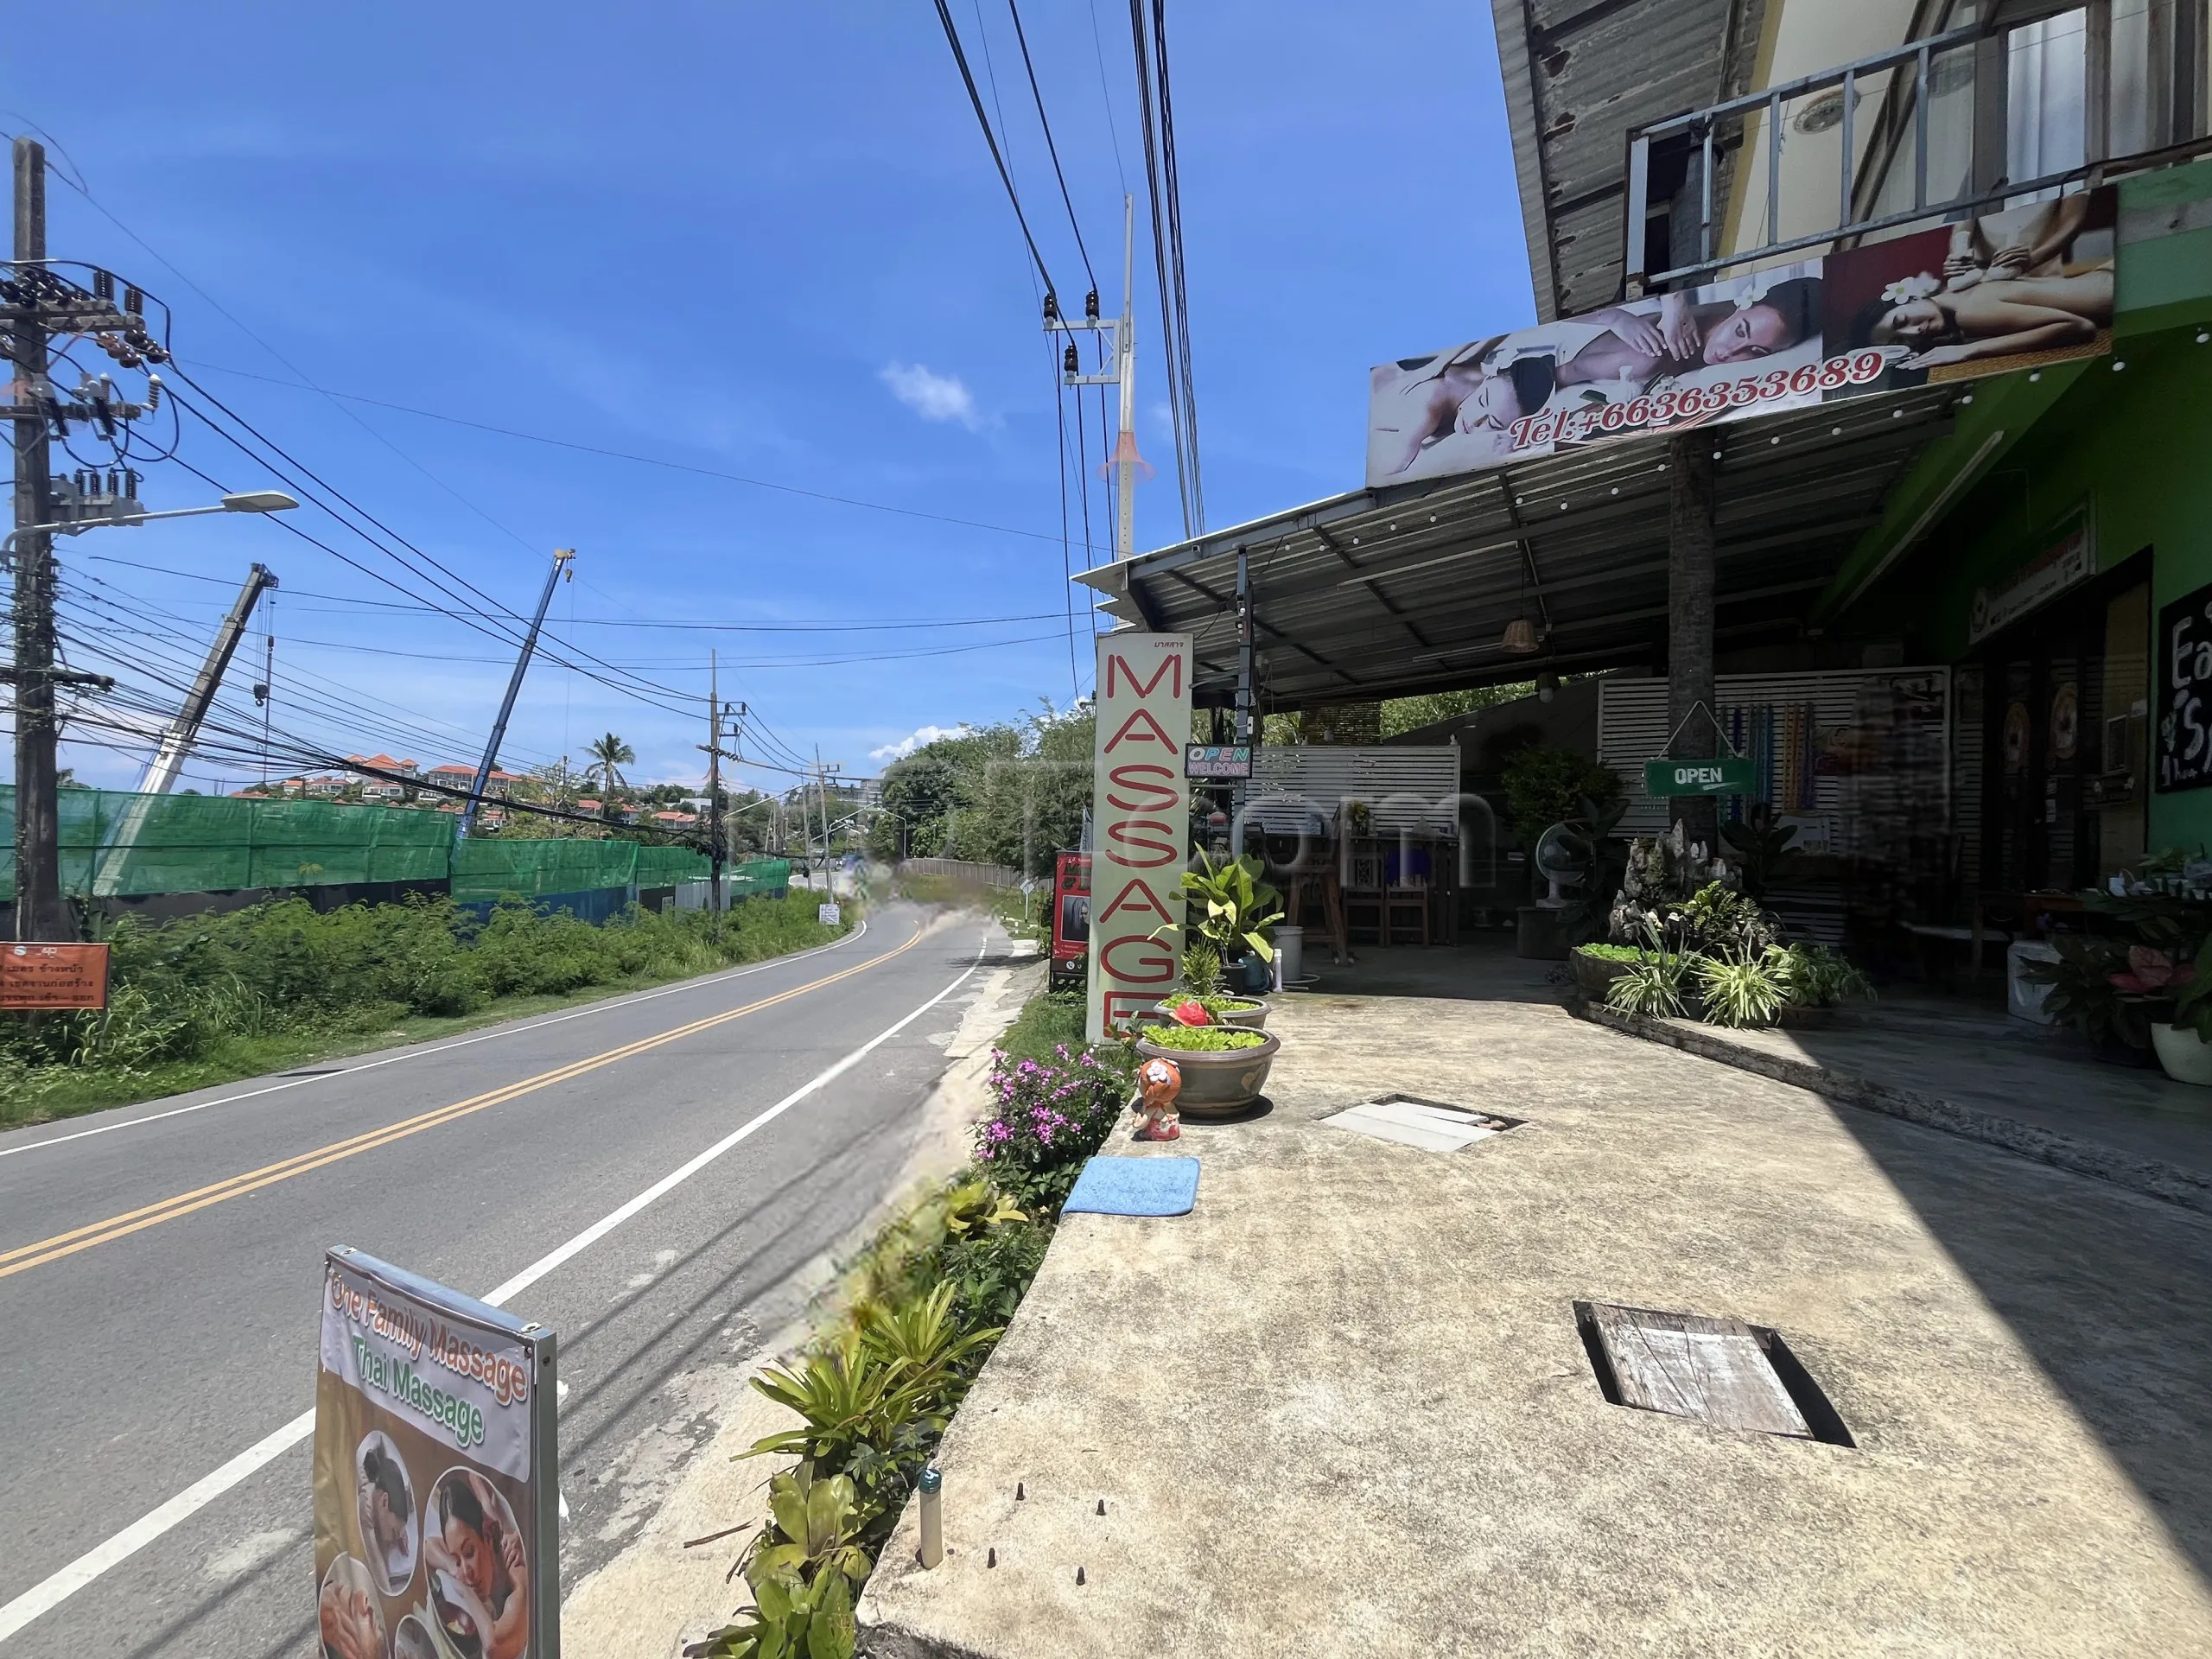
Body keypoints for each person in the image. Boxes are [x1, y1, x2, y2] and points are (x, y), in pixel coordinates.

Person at [1848, 198, 2110, 369]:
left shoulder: (1969, 312)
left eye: (1901, 321)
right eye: (1900, 341)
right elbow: (1962, 231)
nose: (1913, 334)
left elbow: (2080, 327)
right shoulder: (1968, 293)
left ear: (1913, 298)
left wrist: (1969, 351)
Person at [1555, 276, 1824, 388]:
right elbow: (1562, 372)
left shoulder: (1733, 312)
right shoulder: (1647, 357)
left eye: (1757, 351)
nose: (1728, 352)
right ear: (1742, 306)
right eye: (1740, 332)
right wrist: (1615, 317)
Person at [1370, 340, 1559, 477]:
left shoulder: (1477, 372)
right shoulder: (1428, 408)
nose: (1475, 420)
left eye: (1492, 424)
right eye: (1482, 401)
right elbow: (1391, 475)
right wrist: (1438, 363)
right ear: (1488, 378)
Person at [427, 1471, 529, 1659]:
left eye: (469, 1553)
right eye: (458, 1558)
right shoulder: (482, 1533)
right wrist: (453, 1566)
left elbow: (492, 1647)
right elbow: (429, 1546)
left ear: (488, 1536)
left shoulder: (515, 1571)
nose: (467, 1572)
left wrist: (465, 1592)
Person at [358, 1444, 415, 1592]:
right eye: (394, 1531)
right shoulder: (366, 1509)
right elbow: (383, 1586)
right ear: (384, 1501)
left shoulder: (373, 1496)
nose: (393, 1541)